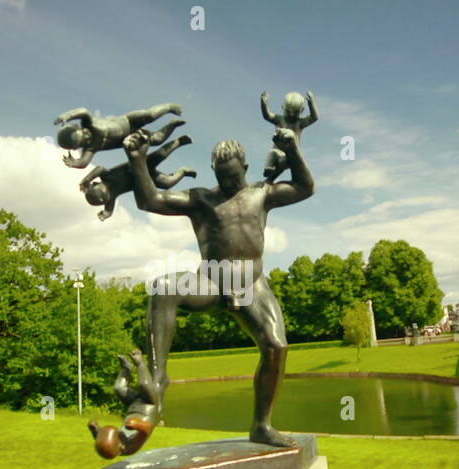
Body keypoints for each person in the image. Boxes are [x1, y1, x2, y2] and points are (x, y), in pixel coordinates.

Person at [118, 126, 314, 447]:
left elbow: (306, 187)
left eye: (235, 177)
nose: (229, 183)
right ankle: (154, 385)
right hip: (211, 280)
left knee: (277, 347)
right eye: (223, 177)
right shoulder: (201, 199)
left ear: (245, 170)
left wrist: (292, 150)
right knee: (164, 287)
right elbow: (150, 199)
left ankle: (261, 425)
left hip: (251, 285)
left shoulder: (262, 194)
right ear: (214, 172)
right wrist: (137, 159)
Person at [78, 135, 196, 220]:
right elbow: (109, 209)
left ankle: (178, 142)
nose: (108, 188)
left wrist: (87, 179)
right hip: (144, 179)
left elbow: (99, 169)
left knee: (160, 155)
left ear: (96, 184)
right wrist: (106, 214)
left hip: (139, 164)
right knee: (167, 183)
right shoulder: (112, 196)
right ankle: (183, 172)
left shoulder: (106, 176)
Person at [54, 102, 184, 168]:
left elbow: (83, 111)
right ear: (78, 146)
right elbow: (84, 162)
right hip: (131, 136)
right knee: (157, 139)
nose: (88, 137)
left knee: (150, 115)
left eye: (84, 134)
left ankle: (168, 107)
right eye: (83, 141)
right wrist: (75, 163)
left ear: (79, 128)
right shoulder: (91, 148)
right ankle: (173, 125)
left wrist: (68, 115)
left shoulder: (88, 123)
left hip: (128, 121)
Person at [260, 91, 318, 181]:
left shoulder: (300, 123)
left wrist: (312, 104)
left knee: (296, 167)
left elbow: (314, 117)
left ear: (302, 111)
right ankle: (269, 169)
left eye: (295, 112)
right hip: (278, 152)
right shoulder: (280, 120)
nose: (291, 114)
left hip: (293, 155)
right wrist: (264, 104)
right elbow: (267, 115)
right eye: (288, 111)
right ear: (283, 108)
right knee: (273, 153)